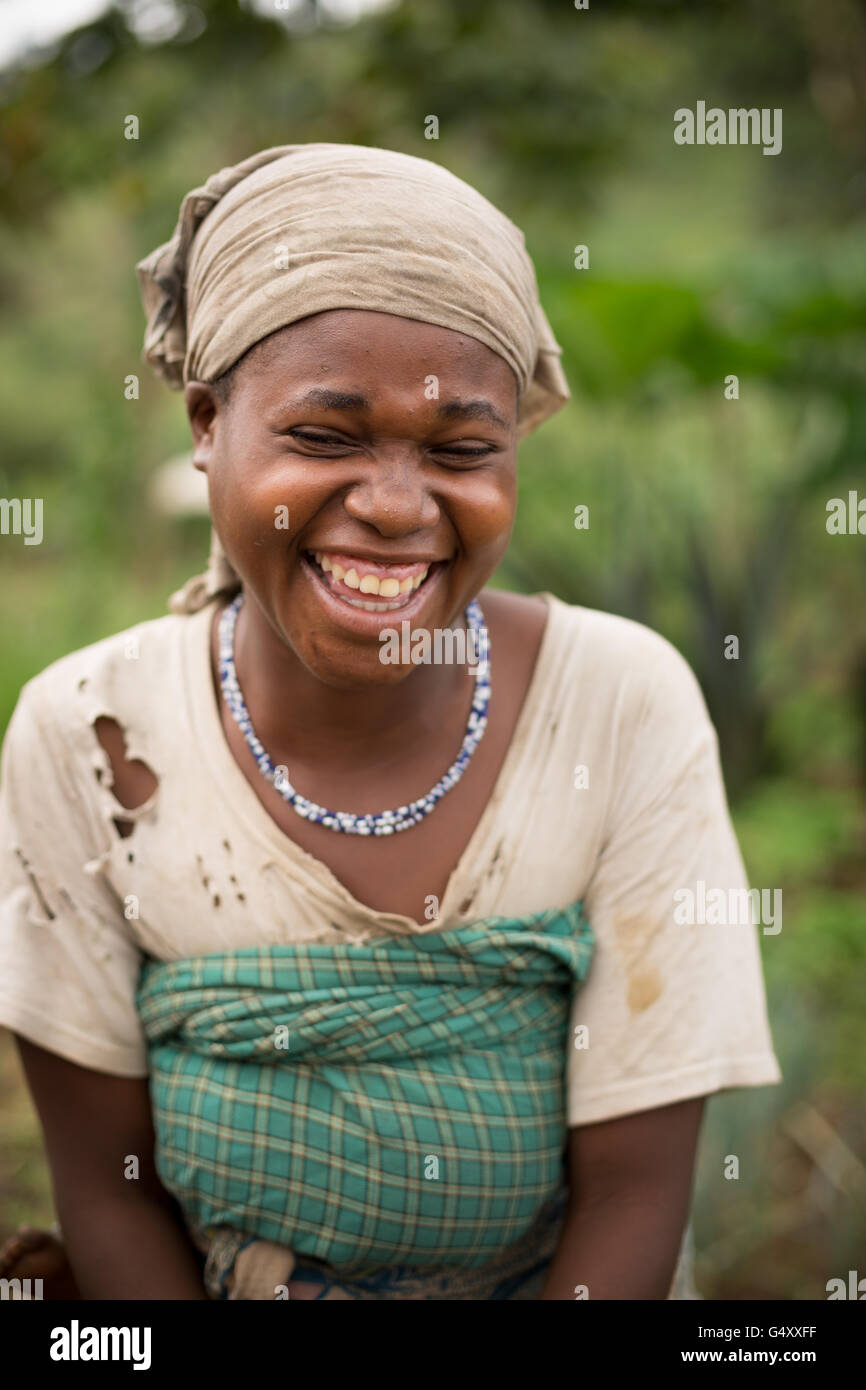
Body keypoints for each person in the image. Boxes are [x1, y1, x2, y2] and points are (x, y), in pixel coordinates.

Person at [0, 144, 781, 1300]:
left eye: (462, 451)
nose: (397, 507)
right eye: (323, 436)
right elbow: (109, 1191)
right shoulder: (91, 730)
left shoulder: (617, 702)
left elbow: (631, 1200)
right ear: (207, 421)